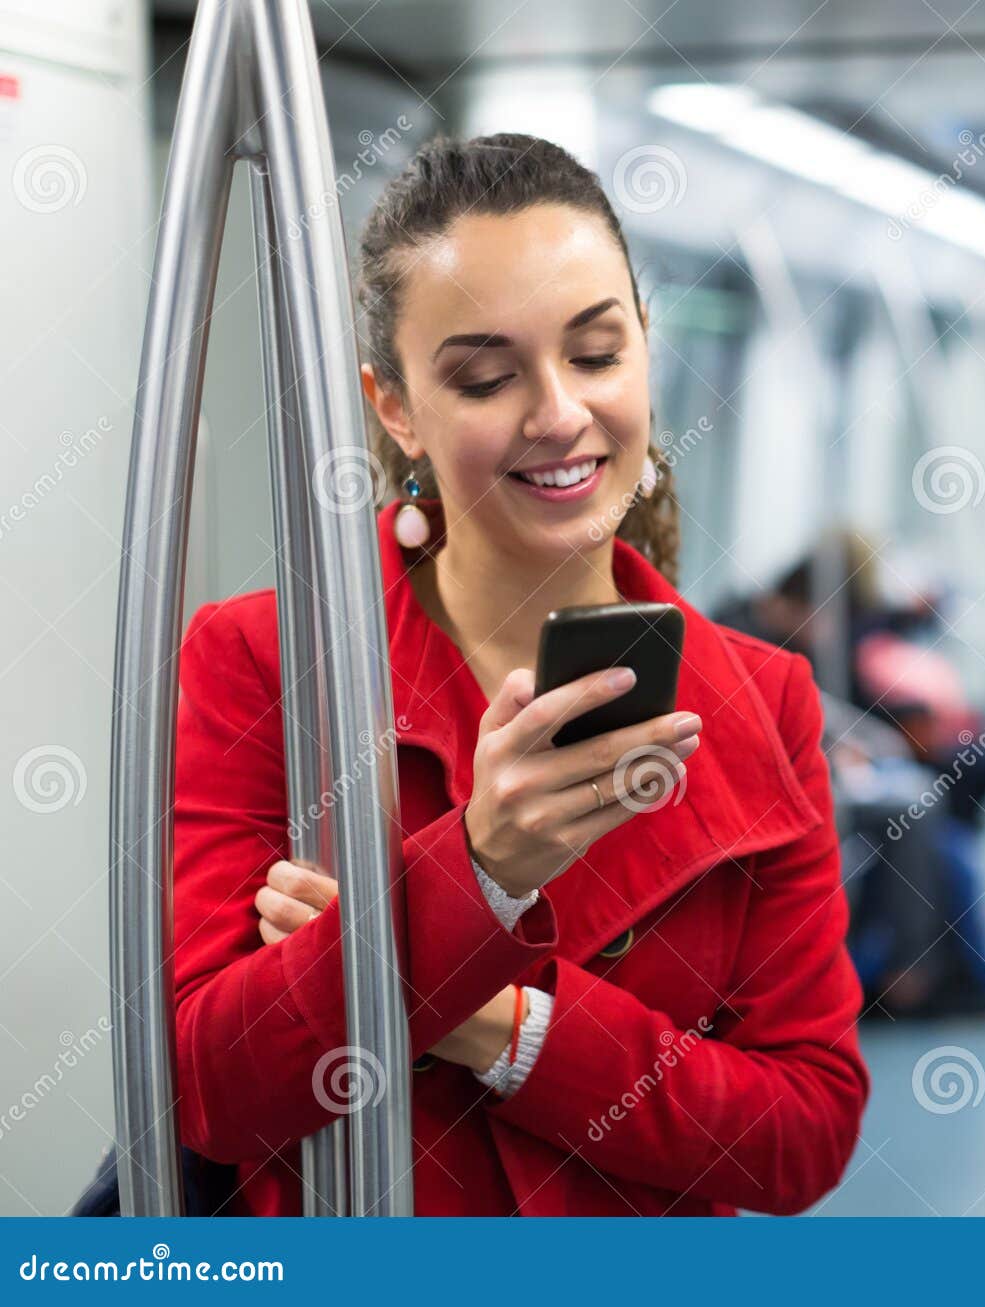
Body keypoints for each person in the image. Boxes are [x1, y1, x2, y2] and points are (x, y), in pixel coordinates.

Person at [170, 133, 869, 1216]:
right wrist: (479, 867)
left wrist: (488, 1014)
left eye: (595, 354)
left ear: (644, 344)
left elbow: (801, 1134)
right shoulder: (269, 660)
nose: (557, 414)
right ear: (395, 407)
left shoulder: (759, 699)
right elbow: (211, 1088)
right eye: (487, 376)